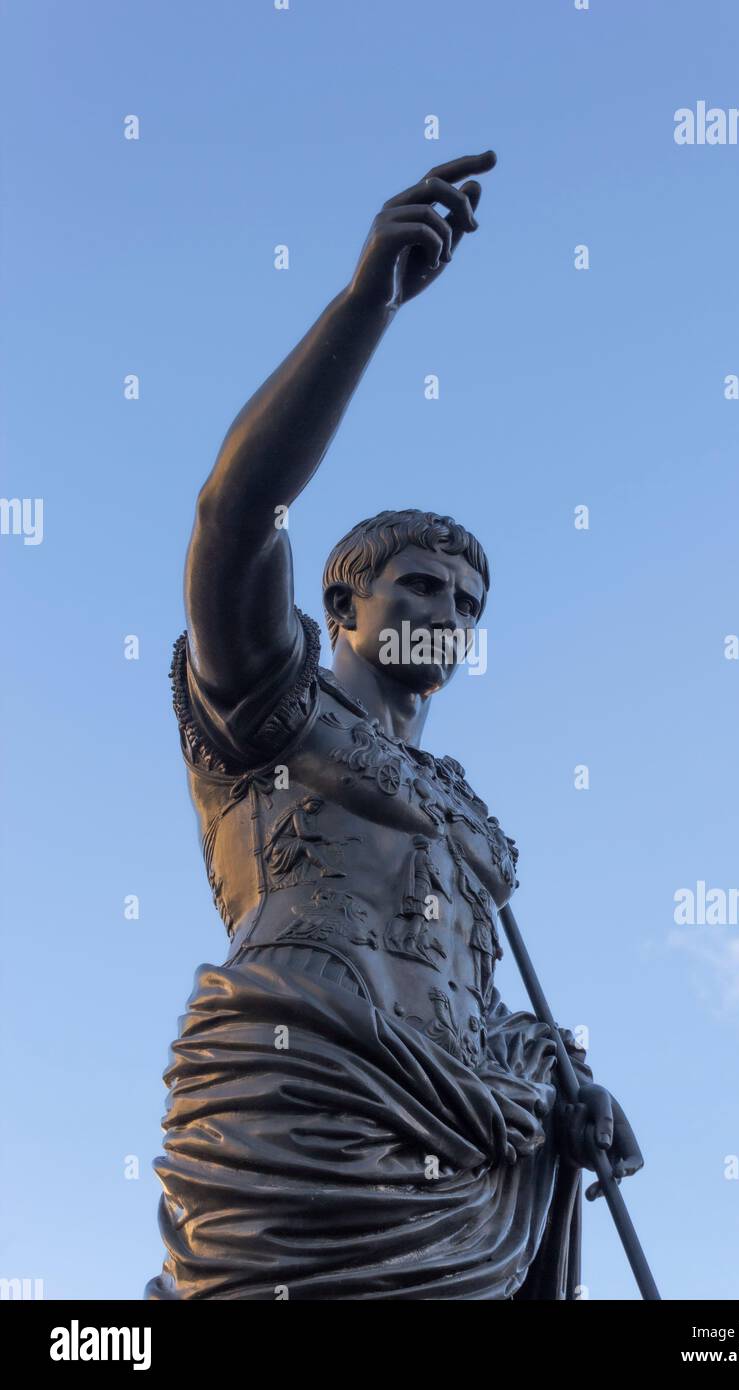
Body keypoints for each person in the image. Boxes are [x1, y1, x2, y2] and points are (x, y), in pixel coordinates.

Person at [147, 151, 643, 1300]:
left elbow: (486, 1011)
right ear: (341, 605)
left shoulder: (464, 807)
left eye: (466, 602)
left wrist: (564, 1094)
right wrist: (364, 303)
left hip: (471, 1159)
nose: (446, 612)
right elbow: (231, 516)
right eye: (417, 586)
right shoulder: (271, 705)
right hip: (308, 1113)